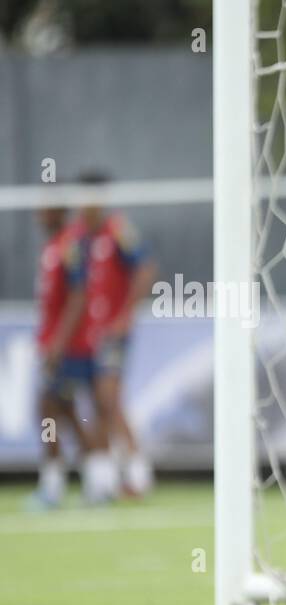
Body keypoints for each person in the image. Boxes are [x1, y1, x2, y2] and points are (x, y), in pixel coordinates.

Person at [78, 171, 157, 497]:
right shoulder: (79, 237)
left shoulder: (117, 230)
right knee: (96, 401)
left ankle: (138, 472)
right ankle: (102, 477)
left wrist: (126, 314)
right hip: (85, 336)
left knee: (109, 396)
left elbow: (147, 268)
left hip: (112, 333)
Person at [31, 205, 115, 507]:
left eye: (44, 210)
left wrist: (57, 343)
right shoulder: (53, 247)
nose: (37, 214)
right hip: (62, 345)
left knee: (52, 409)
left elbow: (79, 295)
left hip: (72, 349)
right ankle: (96, 482)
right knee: (65, 412)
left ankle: (55, 485)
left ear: (58, 213)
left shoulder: (69, 246)